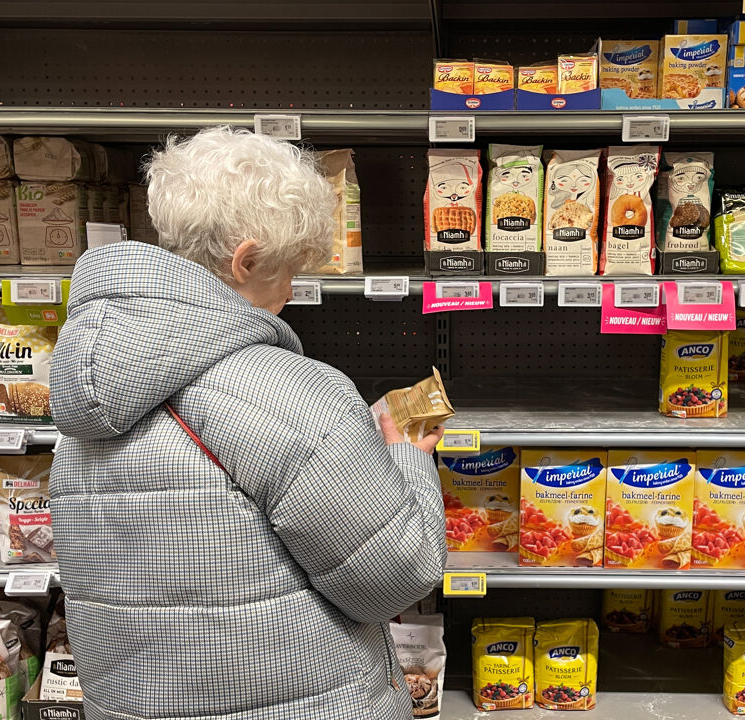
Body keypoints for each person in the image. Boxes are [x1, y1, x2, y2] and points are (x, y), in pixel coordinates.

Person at [49, 126, 447, 720]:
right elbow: (395, 577)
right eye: (287, 271)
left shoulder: (88, 385)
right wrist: (406, 455)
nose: (289, 291)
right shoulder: (295, 395)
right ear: (247, 259)